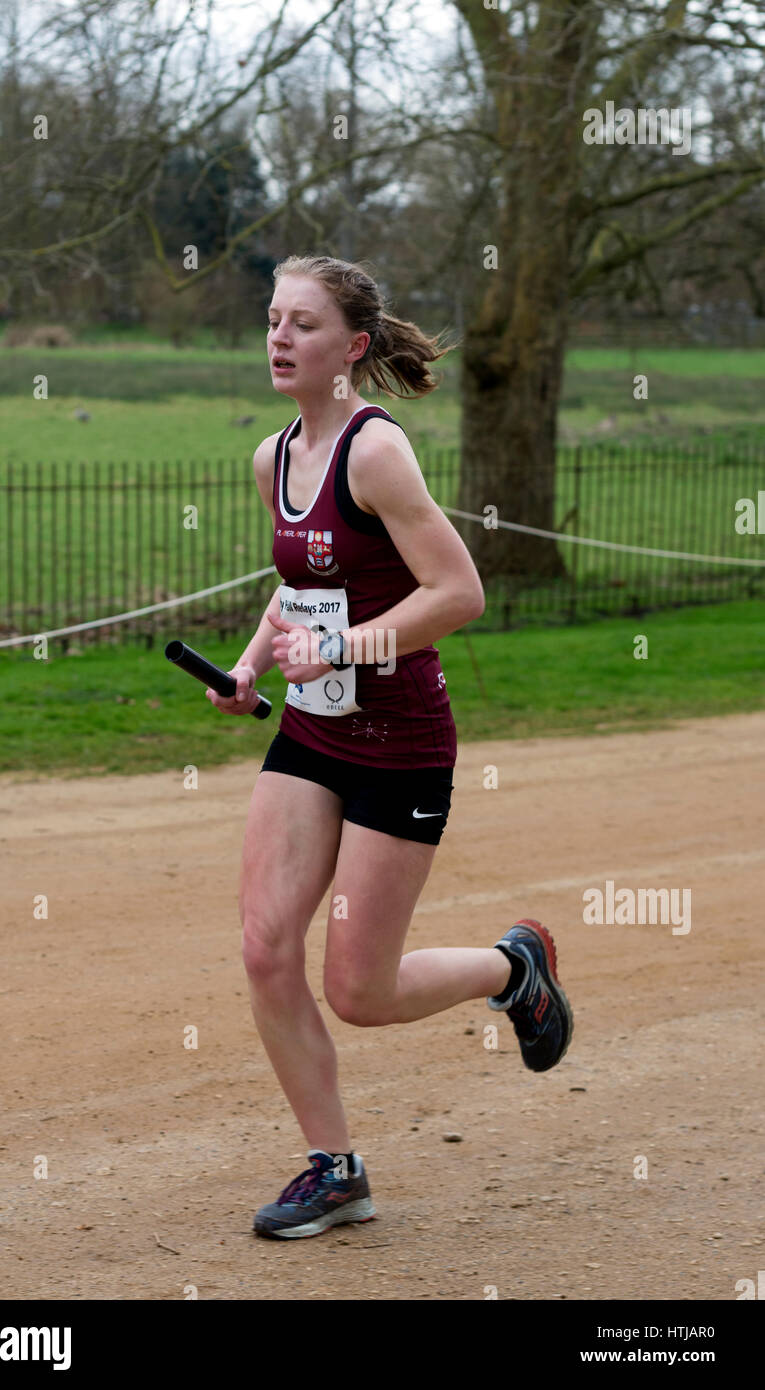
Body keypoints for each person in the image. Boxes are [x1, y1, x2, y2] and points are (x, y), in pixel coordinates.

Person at [204, 255, 573, 1240]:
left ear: (352, 347)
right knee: (262, 943)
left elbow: (459, 594)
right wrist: (250, 668)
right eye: (273, 319)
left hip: (398, 743)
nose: (280, 338)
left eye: (304, 324)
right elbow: (298, 582)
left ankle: (511, 969)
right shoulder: (271, 457)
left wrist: (344, 645)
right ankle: (334, 1168)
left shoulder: (375, 453)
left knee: (358, 989)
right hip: (311, 733)